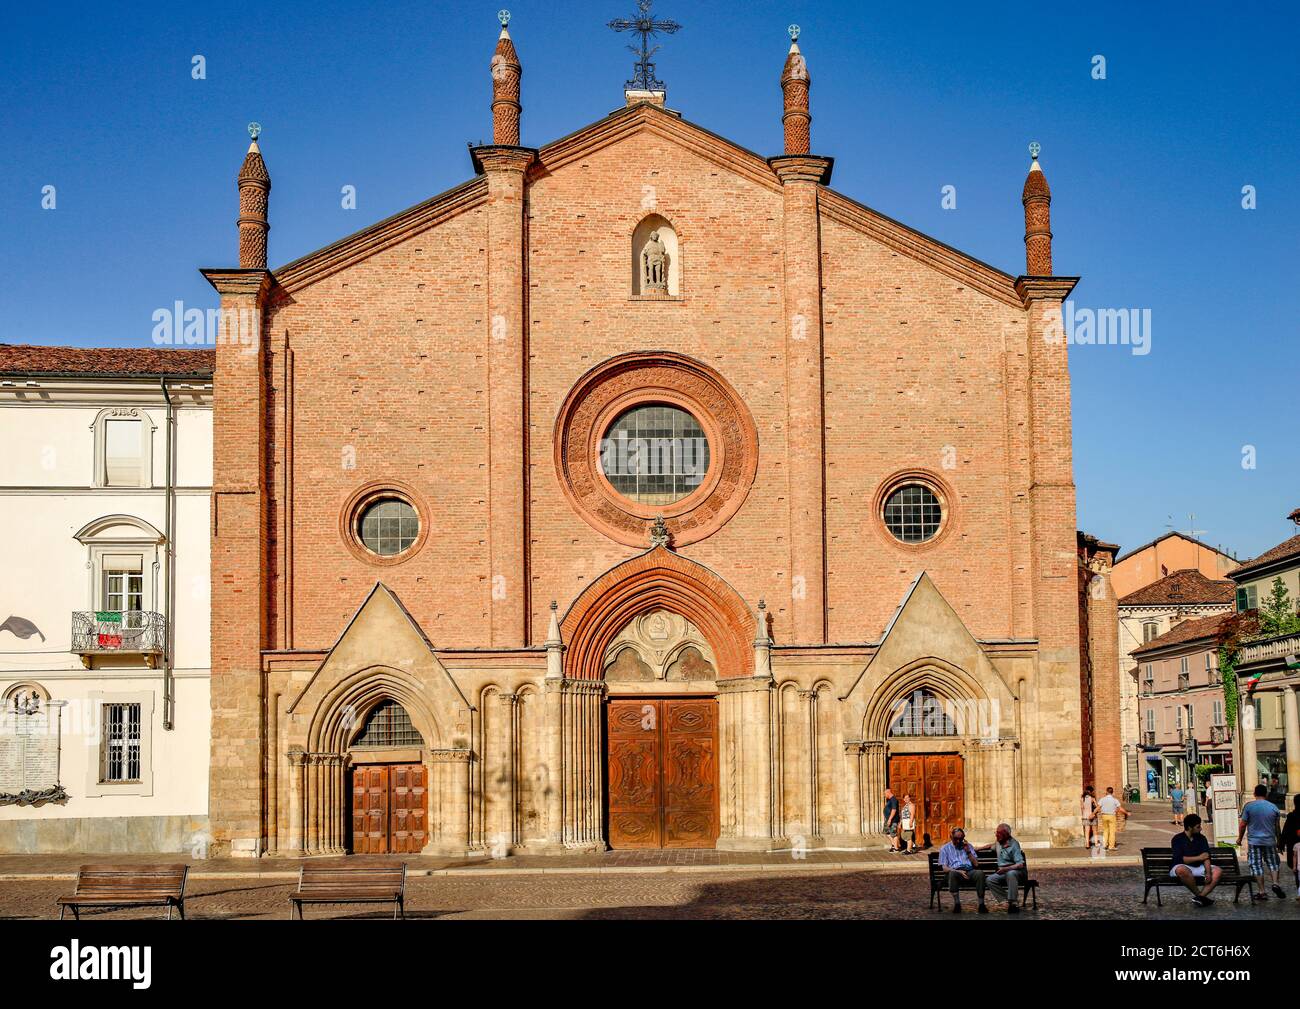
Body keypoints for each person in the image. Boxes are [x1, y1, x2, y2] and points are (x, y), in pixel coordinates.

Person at [1237, 783, 1286, 900]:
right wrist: (1279, 842)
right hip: (1269, 840)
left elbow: (1243, 824)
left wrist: (1239, 838)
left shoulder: (1249, 807)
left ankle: (1262, 891)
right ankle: (1275, 883)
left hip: (1254, 841)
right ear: (1266, 794)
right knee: (1273, 863)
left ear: (1254, 794)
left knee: (1256, 865)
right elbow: (1277, 828)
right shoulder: (1273, 807)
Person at [1171, 813, 1223, 907]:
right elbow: (1180, 860)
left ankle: (1200, 898)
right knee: (1182, 870)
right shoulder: (1177, 839)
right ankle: (1199, 896)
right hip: (1181, 866)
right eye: (1198, 827)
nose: (1201, 829)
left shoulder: (1201, 838)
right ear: (1190, 827)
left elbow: (1206, 857)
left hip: (1199, 867)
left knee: (1218, 871)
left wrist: (1208, 873)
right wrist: (1199, 857)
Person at [977, 823, 1027, 913]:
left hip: (1016, 872)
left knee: (1011, 874)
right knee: (989, 880)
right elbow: (990, 846)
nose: (996, 835)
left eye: (999, 833)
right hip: (1003, 872)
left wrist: (1006, 869)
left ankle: (1013, 904)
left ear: (1006, 834)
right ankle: (1009, 899)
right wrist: (976, 849)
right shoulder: (998, 843)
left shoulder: (1014, 844)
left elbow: (1020, 864)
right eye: (996, 833)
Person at [937, 826, 986, 913]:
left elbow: (976, 864)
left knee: (980, 873)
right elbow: (944, 868)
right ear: (951, 837)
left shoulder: (968, 846)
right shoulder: (945, 849)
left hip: (969, 871)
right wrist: (958, 871)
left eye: (961, 838)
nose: (959, 841)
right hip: (956, 872)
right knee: (952, 874)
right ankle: (957, 904)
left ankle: (981, 905)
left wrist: (968, 851)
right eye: (956, 839)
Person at [1281, 794, 1300, 901]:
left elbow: (1286, 831)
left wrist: (1281, 844)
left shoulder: (1292, 816)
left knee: (1297, 870)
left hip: (1294, 848)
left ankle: (1299, 890)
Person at [1097, 786, 1127, 851]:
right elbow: (1120, 808)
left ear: (1106, 792)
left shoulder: (1102, 799)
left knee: (1105, 831)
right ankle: (1111, 846)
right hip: (1112, 816)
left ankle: (1104, 845)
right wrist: (1126, 813)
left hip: (1104, 816)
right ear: (1112, 792)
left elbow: (1098, 807)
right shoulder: (1115, 800)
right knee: (1112, 831)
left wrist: (1093, 813)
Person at [883, 787, 900, 852]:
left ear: (888, 792)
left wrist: (890, 819)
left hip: (893, 820)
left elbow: (894, 810)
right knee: (886, 832)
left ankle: (896, 848)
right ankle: (894, 845)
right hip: (888, 819)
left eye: (885, 794)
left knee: (893, 833)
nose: (884, 795)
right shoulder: (890, 800)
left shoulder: (893, 799)